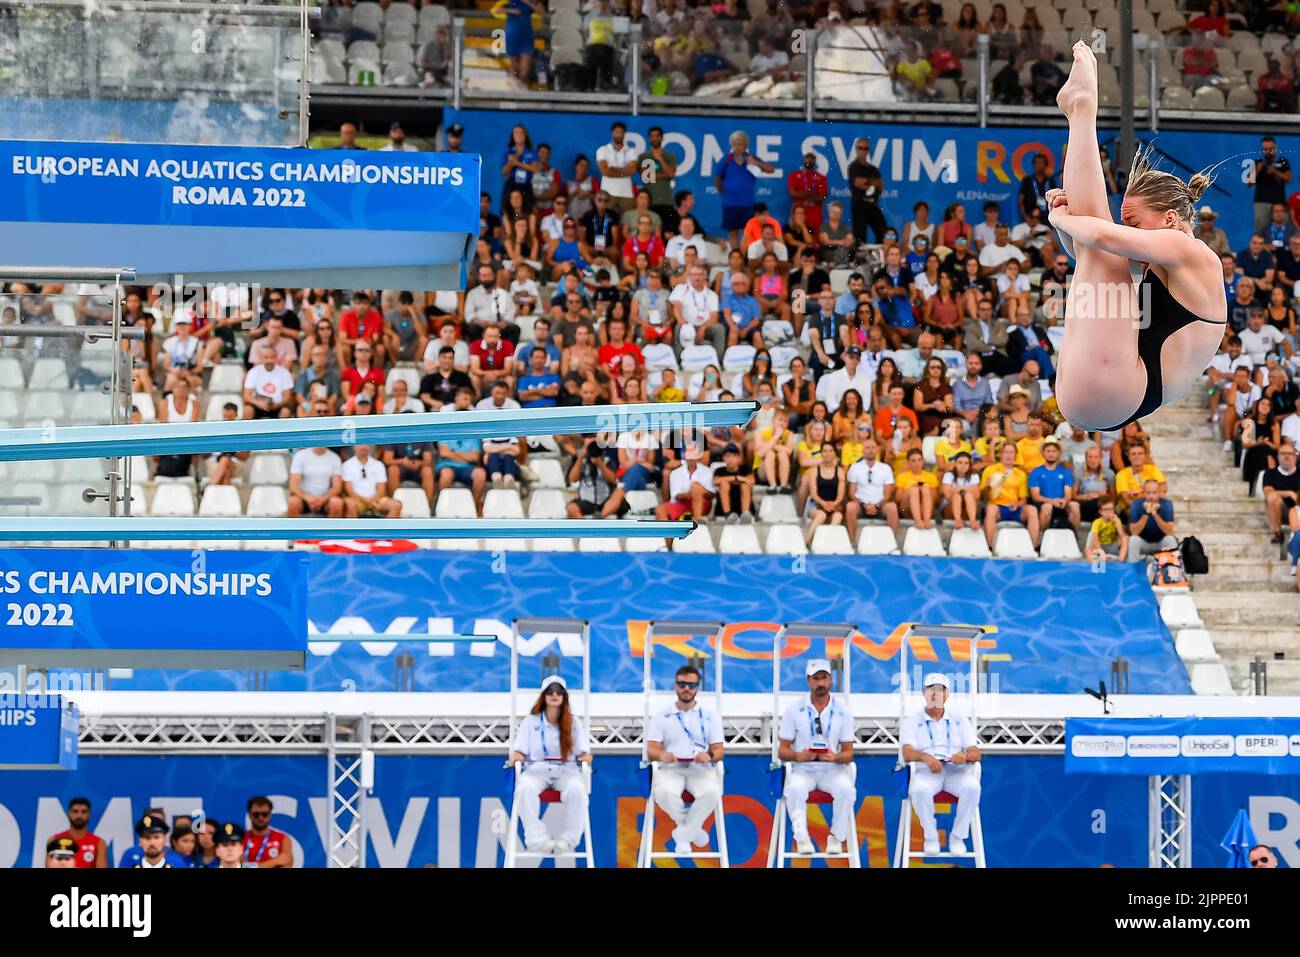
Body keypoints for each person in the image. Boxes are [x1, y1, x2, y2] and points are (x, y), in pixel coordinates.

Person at [1048, 42, 1227, 431]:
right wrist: (1066, 219)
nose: (1127, 231)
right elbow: (1087, 247)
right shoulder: (1169, 255)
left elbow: (1098, 237)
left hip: (1118, 391)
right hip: (1109, 395)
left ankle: (1083, 111)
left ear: (1170, 218)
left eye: (1133, 222)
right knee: (1097, 249)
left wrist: (1061, 218)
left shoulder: (1188, 250)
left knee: (1100, 244)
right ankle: (1081, 110)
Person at [777, 659, 857, 856]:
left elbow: (848, 753)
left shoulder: (843, 711)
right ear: (808, 680)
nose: (820, 683)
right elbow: (782, 751)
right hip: (802, 769)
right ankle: (802, 838)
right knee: (794, 788)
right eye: (816, 679)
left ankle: (836, 837)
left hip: (832, 770)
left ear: (830, 679)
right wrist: (799, 756)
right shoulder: (794, 709)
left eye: (824, 678)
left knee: (846, 789)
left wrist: (835, 757)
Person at [507, 675, 592, 854]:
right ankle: (536, 840)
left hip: (566, 771)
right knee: (523, 789)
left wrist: (585, 758)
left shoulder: (574, 723)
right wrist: (516, 757)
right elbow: (519, 750)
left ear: (564, 696)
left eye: (559, 691)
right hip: (536, 771)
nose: (555, 695)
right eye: (550, 691)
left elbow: (583, 752)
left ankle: (568, 840)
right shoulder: (531, 721)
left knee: (578, 790)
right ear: (543, 696)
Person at [646, 664, 725, 856]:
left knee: (712, 792)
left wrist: (709, 756)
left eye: (691, 685)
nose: (686, 689)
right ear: (675, 686)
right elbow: (651, 749)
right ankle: (692, 831)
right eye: (682, 684)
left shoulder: (710, 716)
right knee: (664, 792)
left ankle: (682, 835)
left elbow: (719, 749)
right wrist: (662, 755)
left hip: (700, 768)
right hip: (671, 767)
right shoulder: (661, 716)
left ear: (698, 687)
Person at [900, 673, 981, 857]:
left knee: (972, 787)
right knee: (919, 790)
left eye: (940, 690)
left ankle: (958, 836)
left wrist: (964, 756)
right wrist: (926, 757)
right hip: (927, 771)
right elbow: (907, 752)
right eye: (931, 690)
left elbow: (976, 753)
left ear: (947, 695)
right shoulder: (912, 721)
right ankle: (931, 837)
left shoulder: (960, 720)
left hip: (956, 772)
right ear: (924, 693)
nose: (935, 694)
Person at [982, 439, 1039, 549]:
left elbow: (1023, 499)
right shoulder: (990, 470)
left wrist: (1018, 504)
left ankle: (1033, 547)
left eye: (1011, 452)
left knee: (1032, 510)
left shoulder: (1021, 474)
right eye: (1006, 452)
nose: (1009, 455)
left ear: (1015, 455)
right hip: (997, 507)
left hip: (1014, 508)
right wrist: (987, 487)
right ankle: (989, 547)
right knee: (991, 509)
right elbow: (982, 497)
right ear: (1001, 454)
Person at [847, 137, 887, 244]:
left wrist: (867, 183)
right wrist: (872, 182)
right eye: (861, 148)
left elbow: (881, 185)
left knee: (884, 232)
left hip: (873, 204)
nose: (863, 151)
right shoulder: (853, 166)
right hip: (859, 204)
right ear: (856, 149)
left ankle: (877, 256)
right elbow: (858, 182)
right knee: (860, 236)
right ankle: (861, 259)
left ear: (868, 150)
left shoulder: (873, 168)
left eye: (865, 148)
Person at [1126, 479, 1177, 562]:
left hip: (1160, 542)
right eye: (1148, 493)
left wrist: (1154, 514)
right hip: (1143, 542)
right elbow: (1134, 532)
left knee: (1170, 539)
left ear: (1159, 493)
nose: (1151, 496)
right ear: (1144, 493)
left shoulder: (1167, 504)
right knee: (1133, 540)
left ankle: (1172, 571)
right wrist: (1146, 514)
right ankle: (1133, 570)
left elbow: (1170, 531)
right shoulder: (1136, 504)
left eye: (1154, 493)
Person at [49, 796, 107, 868]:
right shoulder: (54, 841)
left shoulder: (99, 843)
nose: (79, 816)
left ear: (89, 815)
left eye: (84, 812)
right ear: (68, 814)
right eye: (75, 811)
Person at [243, 796, 294, 867]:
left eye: (264, 814)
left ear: (270, 815)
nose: (260, 818)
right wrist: (272, 864)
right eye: (256, 815)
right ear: (249, 815)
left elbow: (287, 859)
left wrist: (258, 866)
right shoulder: (241, 838)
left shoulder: (283, 838)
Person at [1085, 496, 1129, 563]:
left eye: (1111, 509)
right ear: (1100, 511)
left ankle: (1120, 562)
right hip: (1101, 546)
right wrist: (1101, 551)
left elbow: (1122, 536)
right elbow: (1095, 540)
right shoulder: (1097, 522)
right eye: (1106, 510)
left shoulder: (1117, 520)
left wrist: (1117, 523)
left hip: (1113, 546)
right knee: (1087, 549)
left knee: (1125, 538)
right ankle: (1095, 563)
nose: (1109, 512)